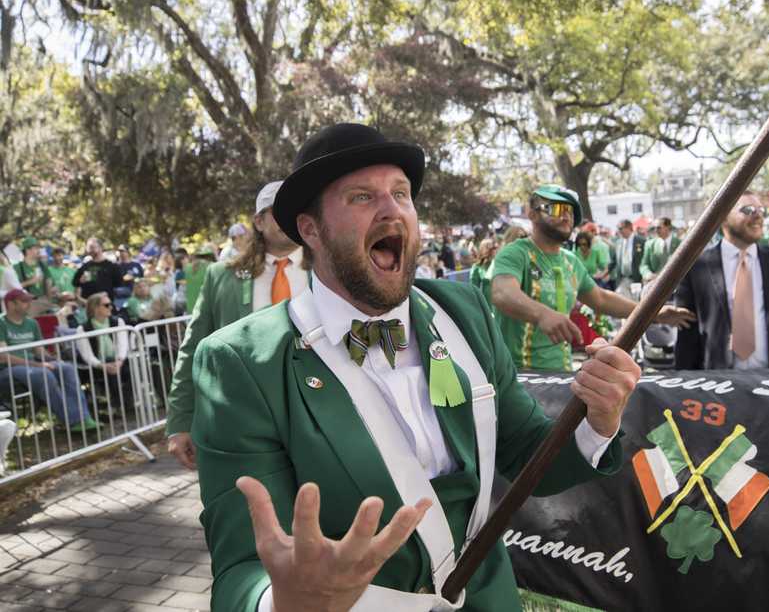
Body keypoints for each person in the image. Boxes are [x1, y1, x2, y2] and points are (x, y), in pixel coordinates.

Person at [191, 123, 641, 611]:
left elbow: (527, 454)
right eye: (362, 197)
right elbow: (241, 567)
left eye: (401, 194)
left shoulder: (462, 312)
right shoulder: (241, 362)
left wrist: (596, 424)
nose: (391, 210)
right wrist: (280, 601)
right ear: (310, 229)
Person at [165, 180, 305, 469]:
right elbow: (194, 346)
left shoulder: (330, 269)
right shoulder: (222, 276)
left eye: (298, 208)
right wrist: (180, 421)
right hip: (245, 419)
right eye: (279, 210)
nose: (290, 216)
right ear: (259, 220)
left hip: (317, 412)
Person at [490, 185, 693, 370]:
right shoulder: (516, 253)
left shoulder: (570, 261)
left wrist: (653, 312)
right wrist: (541, 314)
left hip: (560, 374)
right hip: (517, 376)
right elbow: (502, 293)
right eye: (558, 209)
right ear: (532, 214)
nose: (566, 216)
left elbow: (600, 299)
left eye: (570, 211)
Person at [673, 192, 769, 370]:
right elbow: (687, 337)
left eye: (761, 210)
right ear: (722, 217)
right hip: (720, 386)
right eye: (748, 209)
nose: (758, 215)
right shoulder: (695, 267)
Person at [0, 289, 98, 432]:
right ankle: (72, 421)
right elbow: (3, 356)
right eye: (24, 301)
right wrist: (38, 364)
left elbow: (39, 350)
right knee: (43, 374)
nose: (29, 304)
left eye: (29, 300)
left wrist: (54, 360)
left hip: (32, 365)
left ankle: (84, 417)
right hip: (7, 369)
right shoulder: (1, 323)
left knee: (67, 368)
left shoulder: (32, 323)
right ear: (10, 304)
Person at [75, 291, 134, 408]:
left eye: (110, 304)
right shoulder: (82, 329)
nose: (110, 307)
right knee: (110, 371)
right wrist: (103, 366)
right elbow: (87, 355)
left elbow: (123, 344)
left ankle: (128, 403)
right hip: (96, 365)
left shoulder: (118, 322)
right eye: (106, 305)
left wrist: (119, 361)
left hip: (119, 360)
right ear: (95, 308)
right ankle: (117, 406)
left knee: (133, 367)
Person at [13, 238, 56, 315]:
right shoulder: (17, 267)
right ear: (27, 250)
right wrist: (30, 282)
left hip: (44, 301)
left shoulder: (42, 265)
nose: (39, 250)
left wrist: (51, 295)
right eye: (36, 248)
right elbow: (13, 288)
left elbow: (50, 283)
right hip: (27, 304)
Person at [610, 219, 645, 299]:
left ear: (629, 227)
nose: (619, 231)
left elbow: (644, 259)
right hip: (623, 279)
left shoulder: (641, 241)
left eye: (621, 228)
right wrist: (604, 273)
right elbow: (614, 261)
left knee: (635, 301)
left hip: (636, 278)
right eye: (618, 228)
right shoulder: (618, 243)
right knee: (621, 300)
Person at [639, 217, 680, 283]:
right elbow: (643, 265)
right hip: (655, 283)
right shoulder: (650, 244)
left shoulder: (680, 243)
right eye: (654, 228)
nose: (655, 230)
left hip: (675, 282)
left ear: (668, 227)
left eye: (658, 228)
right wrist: (648, 274)